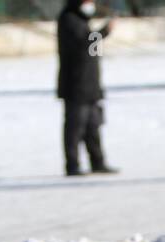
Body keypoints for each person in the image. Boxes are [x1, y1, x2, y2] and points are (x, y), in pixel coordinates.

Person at [58, 0, 119, 176]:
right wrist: (105, 31)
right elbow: (83, 45)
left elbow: (92, 51)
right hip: (76, 84)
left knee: (93, 126)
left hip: (90, 83)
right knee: (75, 127)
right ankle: (72, 165)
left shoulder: (82, 20)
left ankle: (97, 161)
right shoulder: (69, 19)